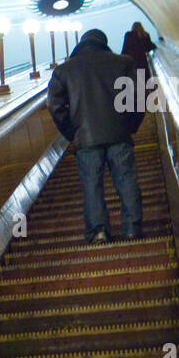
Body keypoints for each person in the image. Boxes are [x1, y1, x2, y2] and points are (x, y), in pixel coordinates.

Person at [47, 28, 145, 242]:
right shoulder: (124, 63)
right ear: (104, 42)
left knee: (92, 185)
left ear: (81, 43)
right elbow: (138, 97)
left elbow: (55, 107)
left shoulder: (64, 70)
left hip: (86, 138)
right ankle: (132, 228)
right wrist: (130, 125)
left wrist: (72, 132)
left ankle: (99, 231)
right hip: (119, 133)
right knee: (126, 180)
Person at [120, 21, 156, 94]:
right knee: (147, 80)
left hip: (134, 63)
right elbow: (151, 47)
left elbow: (125, 49)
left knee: (138, 82)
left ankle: (143, 99)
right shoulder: (145, 35)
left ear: (132, 27)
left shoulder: (128, 35)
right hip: (144, 62)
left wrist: (121, 59)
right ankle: (152, 97)